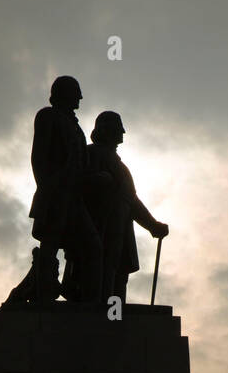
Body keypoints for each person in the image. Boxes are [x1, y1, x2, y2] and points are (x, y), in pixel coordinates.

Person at [28, 76, 102, 302]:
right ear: (63, 93)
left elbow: (81, 164)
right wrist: (50, 189)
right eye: (75, 91)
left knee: (92, 245)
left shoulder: (75, 126)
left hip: (74, 196)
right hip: (56, 193)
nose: (80, 97)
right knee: (50, 244)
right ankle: (44, 296)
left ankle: (88, 300)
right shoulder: (47, 116)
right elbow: (38, 158)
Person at [84, 111, 168, 303]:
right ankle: (99, 316)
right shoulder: (91, 153)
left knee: (119, 275)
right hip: (100, 226)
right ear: (107, 130)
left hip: (120, 229)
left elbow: (131, 201)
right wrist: (99, 181)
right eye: (118, 127)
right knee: (99, 272)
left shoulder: (121, 167)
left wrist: (152, 225)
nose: (123, 132)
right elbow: (78, 183)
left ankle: (114, 318)